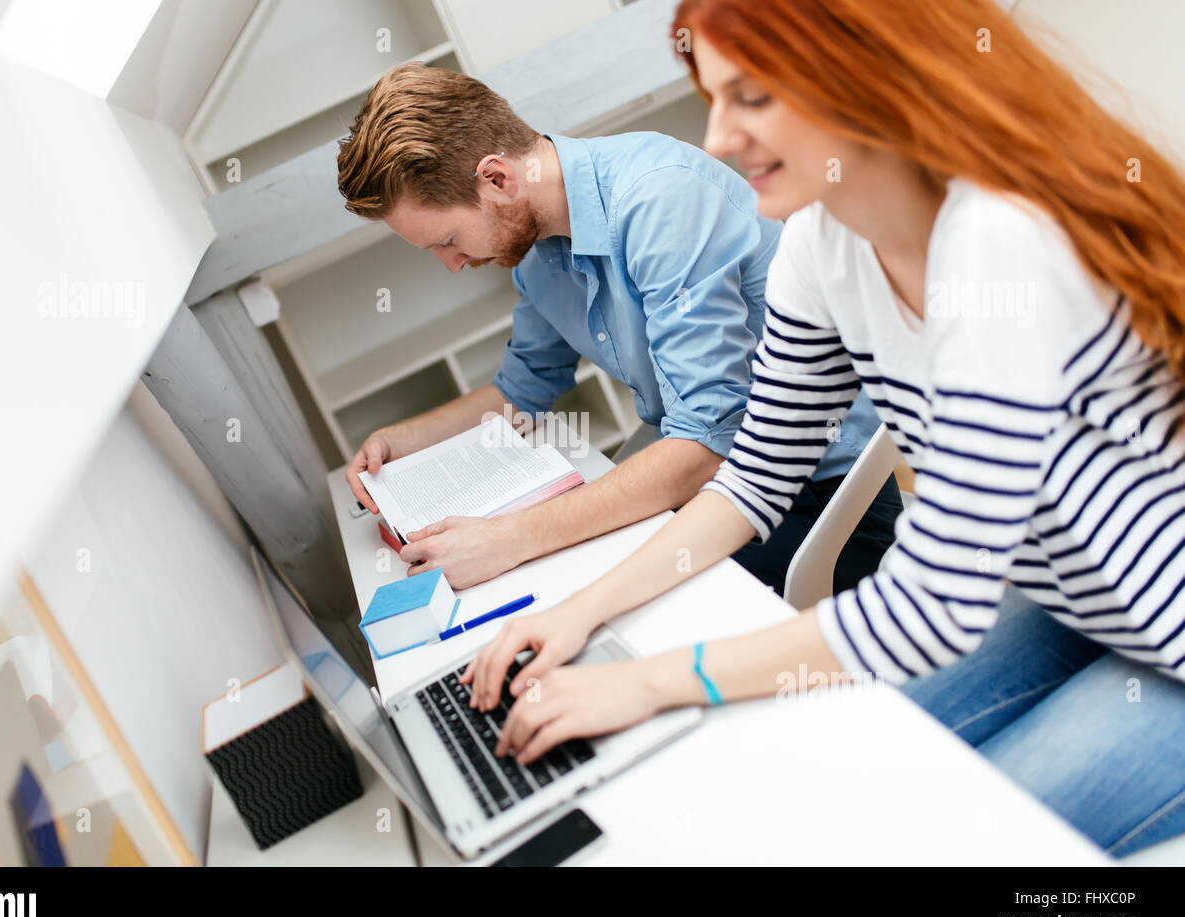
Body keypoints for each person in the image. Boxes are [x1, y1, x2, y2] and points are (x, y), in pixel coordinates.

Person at [463, 0, 1185, 857]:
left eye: (752, 98)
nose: (719, 138)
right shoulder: (821, 246)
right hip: (1074, 598)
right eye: (714, 99)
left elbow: (935, 603)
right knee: (840, 775)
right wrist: (583, 612)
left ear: (861, 75)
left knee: (949, 845)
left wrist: (659, 681)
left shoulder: (1000, 244)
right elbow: (755, 477)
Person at [335, 63, 896, 593]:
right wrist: (402, 441)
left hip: (817, 500)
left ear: (497, 178)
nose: (453, 264)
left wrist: (509, 539)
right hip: (715, 489)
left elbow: (707, 441)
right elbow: (520, 392)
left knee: (589, 608)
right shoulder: (535, 250)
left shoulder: (661, 199)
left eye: (448, 241)